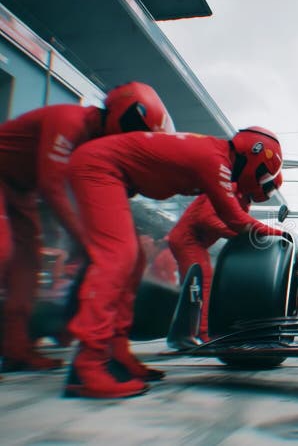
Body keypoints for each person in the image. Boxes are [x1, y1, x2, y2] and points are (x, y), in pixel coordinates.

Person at [65, 126, 284, 398]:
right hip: (99, 168)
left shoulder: (218, 160)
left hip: (108, 171)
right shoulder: (216, 163)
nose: (262, 182)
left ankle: (117, 354)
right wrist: (277, 233)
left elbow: (233, 221)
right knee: (119, 258)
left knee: (132, 262)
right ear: (254, 154)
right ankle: (88, 364)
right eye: (264, 174)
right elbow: (234, 220)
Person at [0, 82, 172, 373]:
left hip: (22, 192)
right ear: (127, 120)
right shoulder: (69, 121)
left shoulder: (93, 146)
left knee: (25, 269)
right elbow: (52, 187)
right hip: (11, 181)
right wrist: (86, 240)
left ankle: (16, 348)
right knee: (4, 252)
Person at [169, 173, 282, 341]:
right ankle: (200, 334)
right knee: (201, 283)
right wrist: (236, 233)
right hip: (188, 240)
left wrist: (276, 232)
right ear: (258, 181)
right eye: (268, 188)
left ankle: (188, 331)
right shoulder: (229, 189)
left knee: (194, 285)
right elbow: (206, 218)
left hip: (193, 241)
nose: (267, 194)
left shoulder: (241, 197)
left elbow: (245, 224)